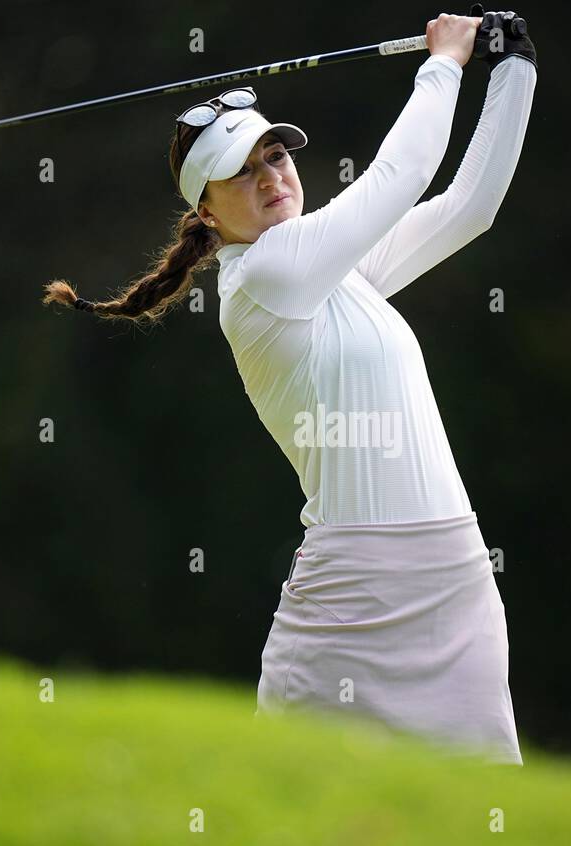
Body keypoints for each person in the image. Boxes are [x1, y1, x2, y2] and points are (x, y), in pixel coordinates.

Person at [43, 10, 538, 766]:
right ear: (205, 212)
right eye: (244, 169)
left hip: (457, 579)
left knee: (483, 817)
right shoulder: (263, 280)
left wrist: (514, 69)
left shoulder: (340, 275)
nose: (272, 177)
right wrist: (444, 61)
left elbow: (471, 207)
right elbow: (399, 177)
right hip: (355, 601)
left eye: (276, 155)